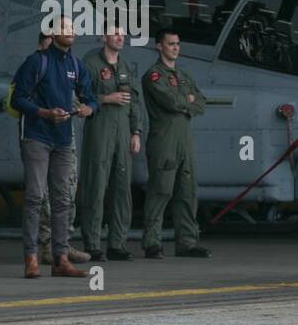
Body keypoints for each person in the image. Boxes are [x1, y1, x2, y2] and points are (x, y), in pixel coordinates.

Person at [11, 17, 96, 278]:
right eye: (64, 27)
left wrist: (88, 108)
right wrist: (45, 113)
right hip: (37, 136)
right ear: (52, 32)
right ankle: (32, 257)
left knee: (63, 200)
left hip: (63, 140)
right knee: (36, 197)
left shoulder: (75, 64)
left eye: (72, 28)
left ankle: (60, 258)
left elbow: (90, 97)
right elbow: (17, 99)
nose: (70, 31)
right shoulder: (37, 61)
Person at [141, 29, 211, 258]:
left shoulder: (183, 75)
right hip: (164, 140)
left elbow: (201, 102)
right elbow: (169, 101)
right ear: (159, 46)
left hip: (184, 141)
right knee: (161, 190)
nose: (175, 48)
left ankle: (187, 242)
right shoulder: (153, 75)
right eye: (170, 44)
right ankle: (152, 242)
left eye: (177, 44)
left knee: (187, 192)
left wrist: (189, 102)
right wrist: (187, 100)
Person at [78, 26, 142, 261]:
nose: (120, 37)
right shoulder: (91, 63)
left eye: (122, 35)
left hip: (123, 133)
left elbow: (134, 102)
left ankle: (117, 243)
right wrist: (106, 98)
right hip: (100, 131)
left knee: (123, 189)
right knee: (96, 186)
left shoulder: (125, 66)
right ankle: (93, 244)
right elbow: (80, 97)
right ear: (104, 37)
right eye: (115, 34)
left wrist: (136, 132)